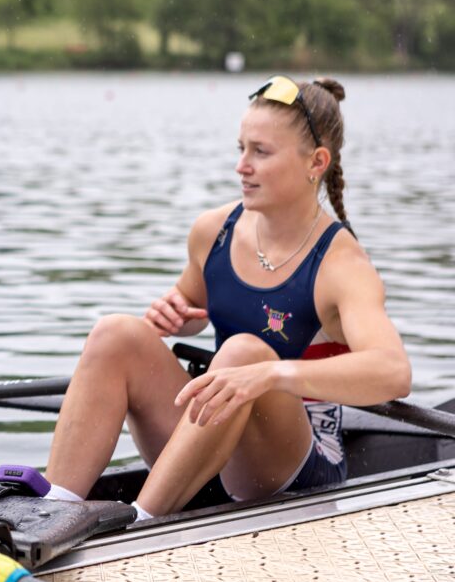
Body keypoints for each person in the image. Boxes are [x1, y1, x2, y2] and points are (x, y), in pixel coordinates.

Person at [43, 76, 411, 520]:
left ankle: (140, 524)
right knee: (115, 334)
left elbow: (392, 371)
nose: (241, 166)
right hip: (209, 439)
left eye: (261, 152)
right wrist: (175, 317)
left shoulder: (341, 264)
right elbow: (190, 303)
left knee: (241, 354)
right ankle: (52, 512)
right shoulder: (212, 231)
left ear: (315, 162)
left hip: (297, 464)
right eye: (241, 148)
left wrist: (269, 375)